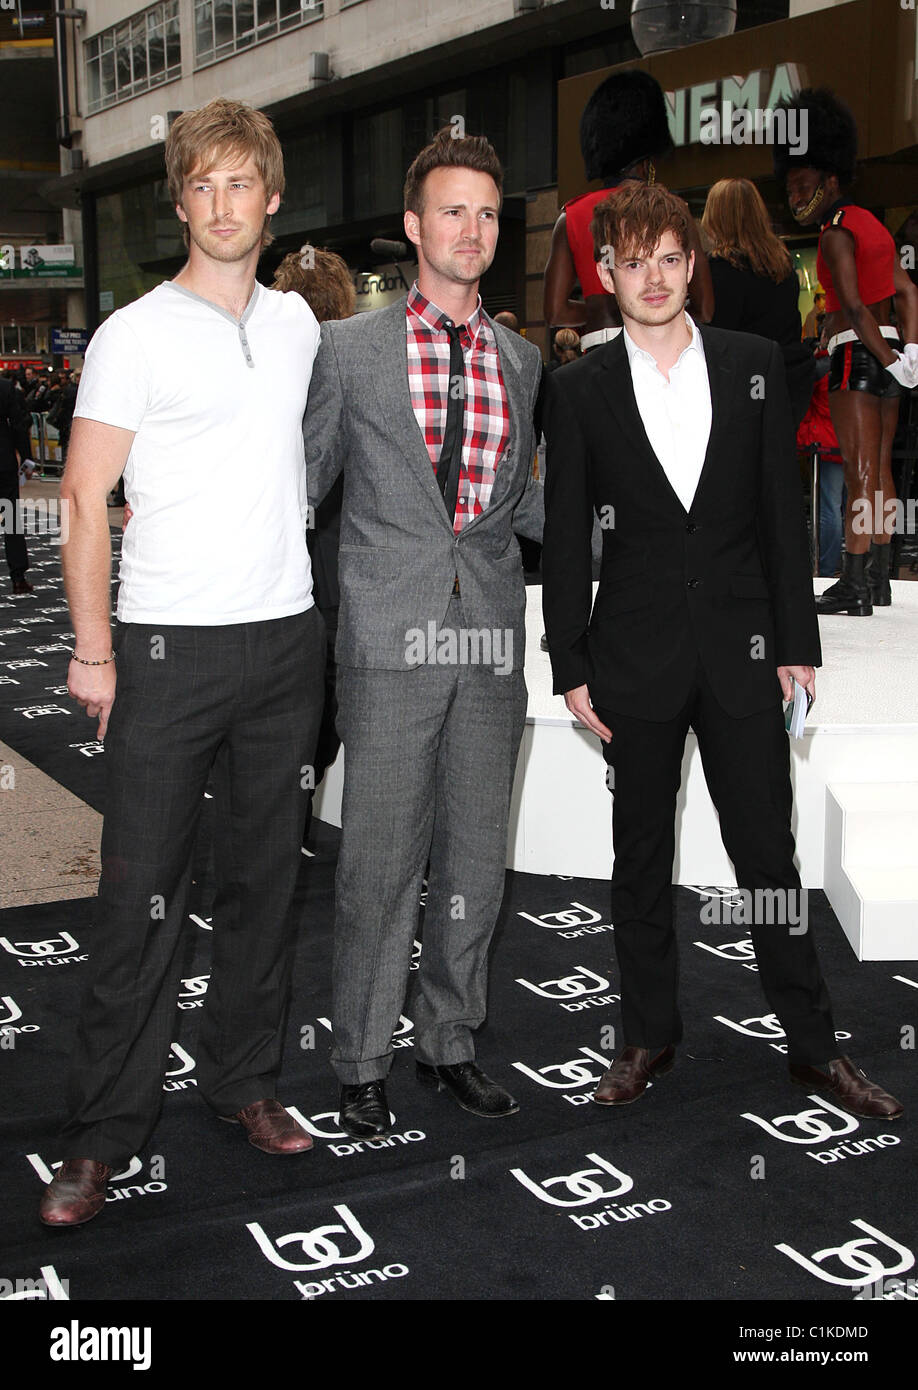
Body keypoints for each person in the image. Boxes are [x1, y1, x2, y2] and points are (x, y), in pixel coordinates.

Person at [541, 182, 902, 1123]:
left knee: (768, 862)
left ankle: (814, 1048)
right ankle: (646, 1031)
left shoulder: (749, 365)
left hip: (745, 654)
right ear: (606, 273)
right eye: (633, 261)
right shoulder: (578, 388)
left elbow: (782, 519)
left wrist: (796, 640)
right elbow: (570, 535)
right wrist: (568, 662)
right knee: (639, 857)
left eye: (670, 257)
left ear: (692, 265)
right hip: (632, 656)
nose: (653, 277)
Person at [38, 97, 327, 1229]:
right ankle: (105, 1134)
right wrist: (95, 649)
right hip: (163, 648)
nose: (221, 204)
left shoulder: (300, 323)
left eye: (239, 183)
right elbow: (80, 498)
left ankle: (244, 1082)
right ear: (180, 201)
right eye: (200, 185)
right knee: (139, 900)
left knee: (265, 889)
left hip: (285, 640)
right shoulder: (133, 333)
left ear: (270, 196)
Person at [303, 127, 543, 1138]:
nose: (473, 230)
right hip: (389, 641)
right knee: (379, 862)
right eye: (453, 210)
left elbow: (520, 512)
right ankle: (360, 1056)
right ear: (412, 227)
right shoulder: (348, 349)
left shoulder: (524, 360)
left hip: (488, 639)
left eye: (488, 213)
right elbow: (301, 494)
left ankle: (450, 1041)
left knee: (476, 860)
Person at [775, 87, 918, 614]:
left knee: (858, 469)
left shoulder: (836, 232)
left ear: (830, 179)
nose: (794, 196)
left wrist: (883, 357)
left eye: (802, 185)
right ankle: (878, 576)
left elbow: (855, 309)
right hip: (889, 351)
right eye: (789, 187)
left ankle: (854, 583)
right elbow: (908, 292)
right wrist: (908, 357)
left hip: (858, 353)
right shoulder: (875, 225)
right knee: (879, 468)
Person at [272, 245, 356, 842]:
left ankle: (287, 825)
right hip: (347, 562)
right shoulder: (360, 356)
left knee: (292, 710)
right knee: (332, 708)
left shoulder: (274, 360)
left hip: (284, 567)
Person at [544, 68, 713, 351]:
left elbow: (554, 312)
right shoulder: (673, 211)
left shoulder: (570, 217)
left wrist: (599, 312)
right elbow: (705, 308)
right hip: (661, 349)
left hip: (597, 355)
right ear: (648, 162)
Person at [702, 177, 815, 428]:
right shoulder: (783, 265)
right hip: (787, 381)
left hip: (740, 386)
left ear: (715, 217)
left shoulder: (719, 270)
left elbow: (718, 335)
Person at [0, 370, 34, 595]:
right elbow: (19, 426)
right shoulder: (5, 388)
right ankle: (19, 577)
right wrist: (26, 457)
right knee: (11, 519)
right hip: (3, 462)